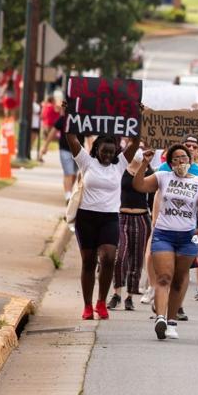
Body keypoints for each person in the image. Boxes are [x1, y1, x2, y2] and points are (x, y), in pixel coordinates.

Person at [133, 144, 198, 340]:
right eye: (175, 159)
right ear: (169, 162)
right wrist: (145, 163)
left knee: (179, 279)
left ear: (190, 160)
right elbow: (139, 185)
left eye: (183, 158)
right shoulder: (162, 176)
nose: (180, 162)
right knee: (164, 277)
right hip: (164, 234)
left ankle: (172, 321)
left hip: (187, 236)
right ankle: (160, 318)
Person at [64, 130, 139, 319]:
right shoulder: (86, 162)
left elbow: (136, 141)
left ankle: (101, 302)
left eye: (111, 152)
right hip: (86, 218)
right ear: (96, 149)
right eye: (104, 151)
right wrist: (69, 114)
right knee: (88, 262)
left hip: (109, 218)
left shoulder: (120, 164)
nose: (107, 156)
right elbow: (71, 137)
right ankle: (88, 306)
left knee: (108, 258)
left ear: (116, 152)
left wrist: (139, 116)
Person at [109, 151, 152, 312]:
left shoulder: (148, 171)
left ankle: (129, 297)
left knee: (137, 259)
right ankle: (116, 293)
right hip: (122, 216)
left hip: (141, 218)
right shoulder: (121, 168)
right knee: (121, 255)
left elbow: (154, 195)